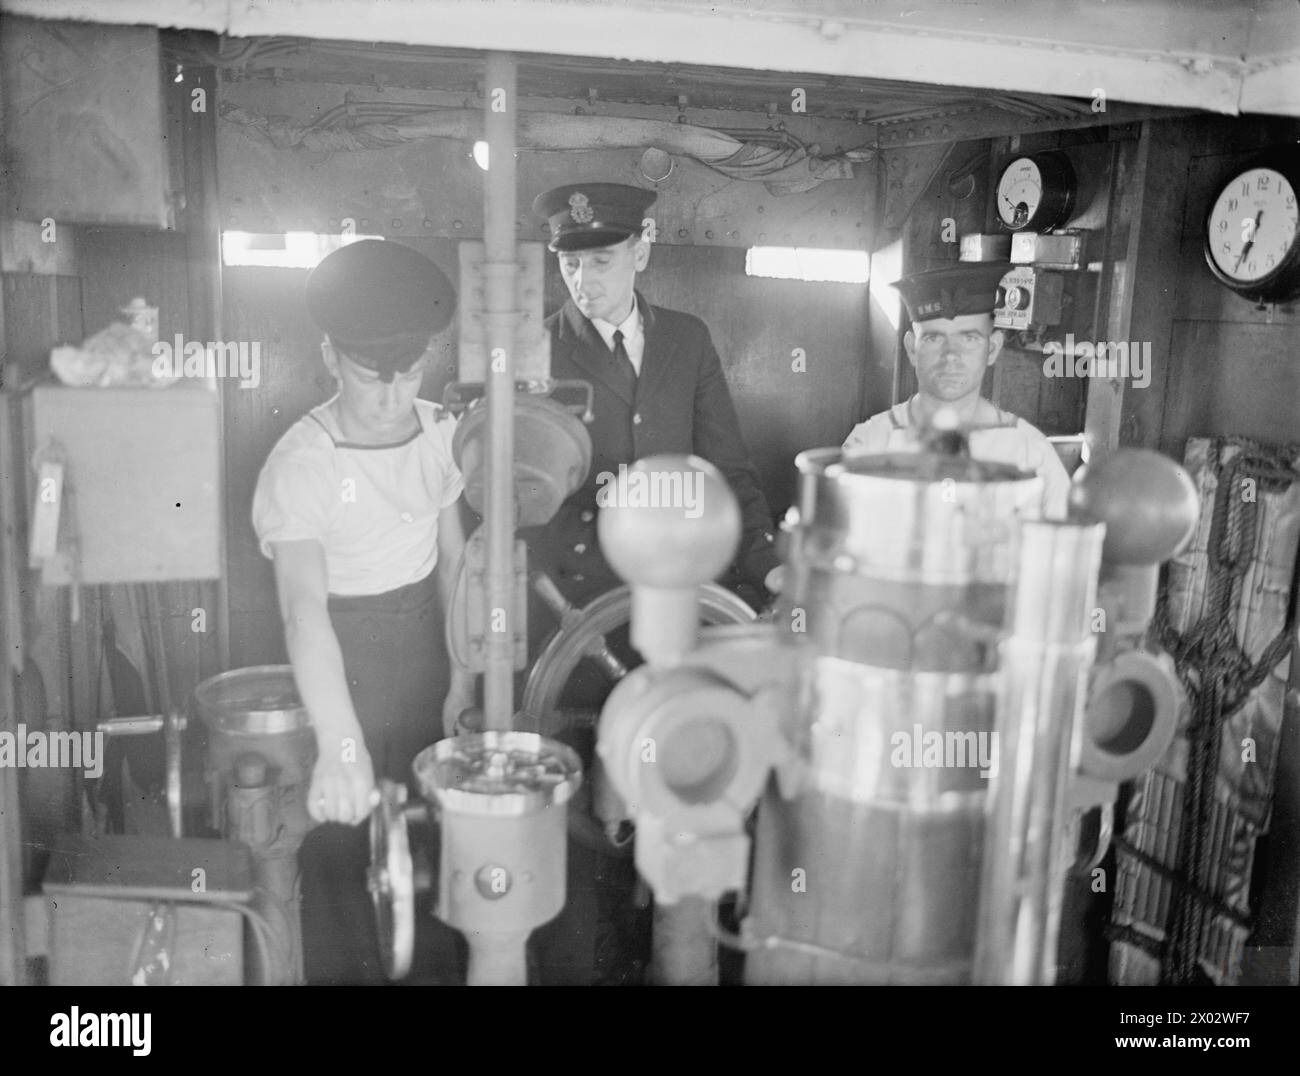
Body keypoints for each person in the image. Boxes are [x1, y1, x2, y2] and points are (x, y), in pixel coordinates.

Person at [520, 182, 782, 985]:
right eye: (570, 265)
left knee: (676, 791)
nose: (583, 280)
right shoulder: (536, 350)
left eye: (599, 260)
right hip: (579, 616)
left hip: (676, 609)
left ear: (643, 247)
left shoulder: (686, 341)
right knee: (580, 817)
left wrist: (767, 566)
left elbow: (726, 467)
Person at [250, 238, 474, 983]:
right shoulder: (303, 465)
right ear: (328, 355)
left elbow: (455, 560)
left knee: (430, 835)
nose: (390, 399)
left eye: (410, 373)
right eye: (367, 376)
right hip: (338, 659)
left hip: (423, 649)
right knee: (346, 847)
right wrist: (341, 744)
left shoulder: (443, 435)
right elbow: (303, 613)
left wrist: (463, 676)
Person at [843, 262, 1071, 519]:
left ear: (993, 348)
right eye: (934, 338)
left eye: (969, 338)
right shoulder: (870, 442)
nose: (951, 355)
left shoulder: (1032, 453)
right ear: (911, 349)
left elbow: (1059, 552)